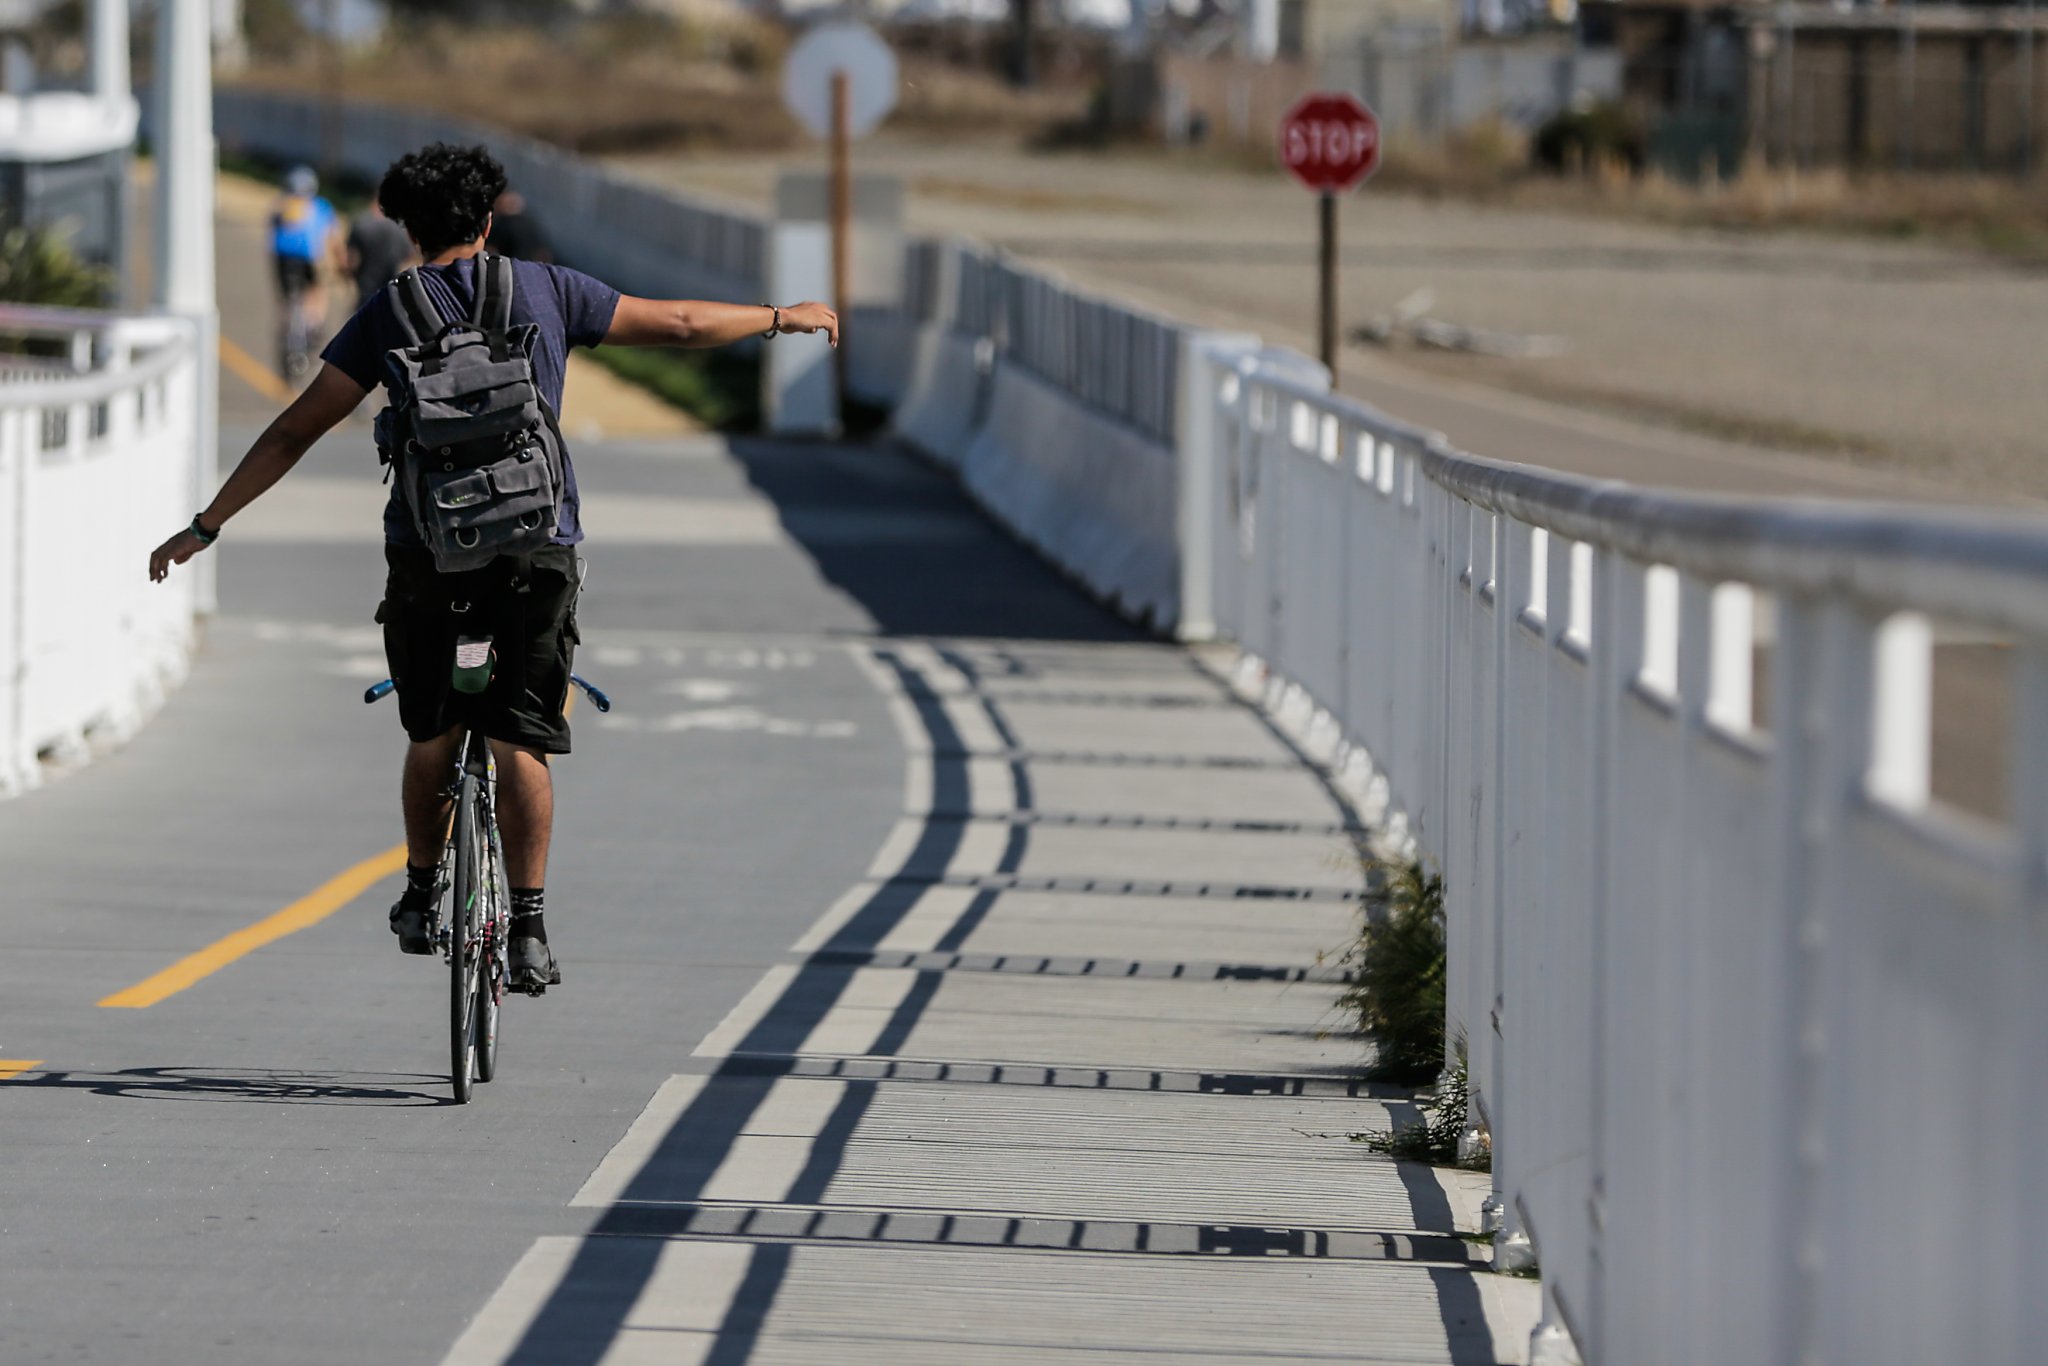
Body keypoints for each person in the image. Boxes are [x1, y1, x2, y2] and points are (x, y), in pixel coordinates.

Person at [149, 142, 837, 991]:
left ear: (404, 227)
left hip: (428, 554)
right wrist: (781, 316)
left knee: (432, 728)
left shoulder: (387, 313)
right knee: (521, 738)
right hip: (535, 544)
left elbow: (295, 429)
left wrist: (206, 526)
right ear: (486, 220)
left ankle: (419, 887)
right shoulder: (548, 291)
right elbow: (681, 326)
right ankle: (531, 929)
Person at [269, 165, 344, 377]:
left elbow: (274, 229)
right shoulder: (321, 206)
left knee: (287, 301)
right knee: (316, 292)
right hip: (307, 258)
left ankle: (286, 333)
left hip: (283, 259)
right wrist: (340, 263)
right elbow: (334, 238)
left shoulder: (283, 206)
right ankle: (313, 326)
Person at [345, 196, 415, 303]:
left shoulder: (361, 224)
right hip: (390, 293)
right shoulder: (403, 231)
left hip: (365, 290)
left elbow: (352, 261)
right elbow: (409, 261)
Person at [487, 188, 553, 264]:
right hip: (527, 268)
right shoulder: (529, 222)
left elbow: (491, 250)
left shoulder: (503, 225)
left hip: (510, 268)